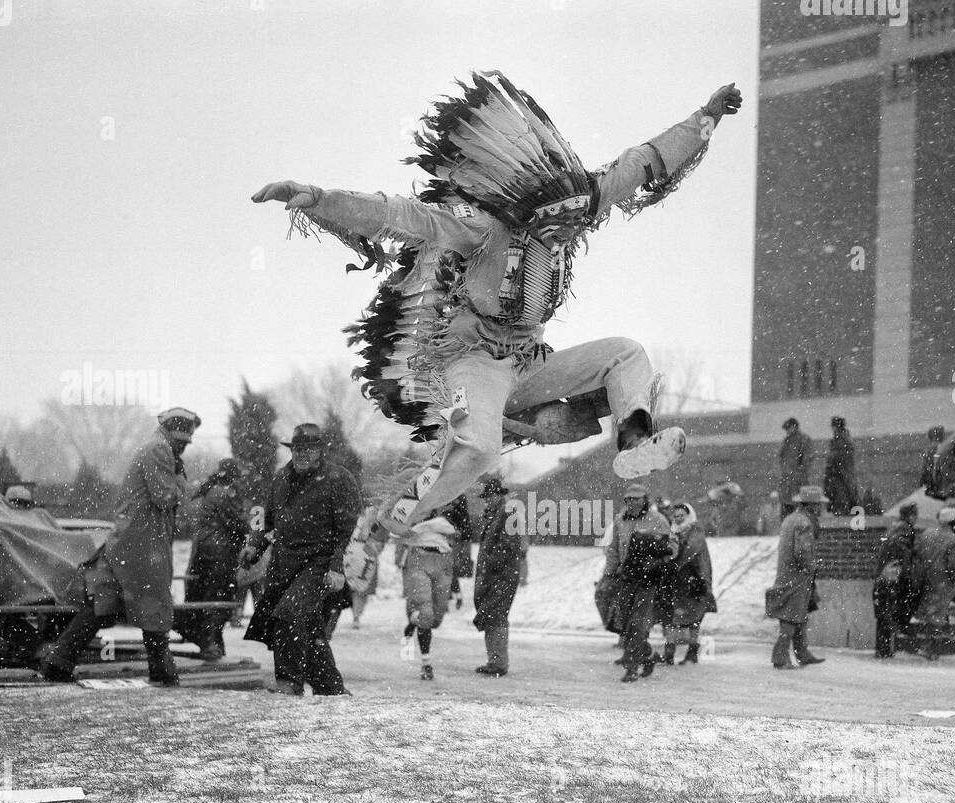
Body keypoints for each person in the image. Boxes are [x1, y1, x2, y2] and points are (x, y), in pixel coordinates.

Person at [254, 73, 743, 592]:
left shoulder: (580, 204)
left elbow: (643, 159)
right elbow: (399, 213)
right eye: (555, 230)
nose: (566, 238)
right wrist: (315, 197)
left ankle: (634, 440)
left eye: (573, 229)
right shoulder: (481, 227)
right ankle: (384, 525)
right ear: (532, 214)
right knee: (477, 450)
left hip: (529, 363)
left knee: (626, 355)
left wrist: (705, 117)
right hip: (473, 363)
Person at [38, 408, 201, 686]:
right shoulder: (159, 451)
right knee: (155, 602)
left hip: (130, 541)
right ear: (173, 434)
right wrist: (183, 482)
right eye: (182, 442)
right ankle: (162, 670)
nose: (183, 448)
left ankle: (59, 660)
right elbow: (164, 497)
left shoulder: (155, 448)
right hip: (143, 543)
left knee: (104, 602)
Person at [243, 423, 362, 696]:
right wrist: (254, 544)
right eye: (298, 448)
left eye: (309, 448)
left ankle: (288, 683)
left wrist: (335, 566)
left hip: (318, 563)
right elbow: (263, 515)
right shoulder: (280, 478)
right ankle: (330, 687)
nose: (302, 454)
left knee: (288, 614)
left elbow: (347, 530)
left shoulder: (338, 479)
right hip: (284, 564)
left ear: (320, 450)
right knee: (308, 627)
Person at [601, 483, 676, 683]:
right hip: (626, 578)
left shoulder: (658, 520)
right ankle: (649, 656)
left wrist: (658, 559)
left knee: (638, 624)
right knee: (625, 624)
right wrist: (609, 574)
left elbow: (672, 546)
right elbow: (614, 550)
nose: (632, 503)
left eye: (636, 498)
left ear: (645, 500)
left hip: (649, 580)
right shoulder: (620, 521)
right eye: (629, 499)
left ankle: (632, 667)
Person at [176, 458, 246, 662]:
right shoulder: (224, 492)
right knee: (218, 601)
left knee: (201, 599)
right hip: (220, 555)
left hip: (201, 553)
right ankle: (211, 644)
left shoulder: (204, 491)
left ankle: (210, 642)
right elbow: (238, 523)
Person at [472, 475, 524, 676]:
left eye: (491, 496)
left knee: (495, 616)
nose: (488, 500)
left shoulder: (507, 514)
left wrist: (491, 564)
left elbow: (507, 547)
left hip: (502, 576)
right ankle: (495, 660)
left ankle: (498, 663)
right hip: (496, 575)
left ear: (498, 495)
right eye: (486, 497)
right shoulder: (495, 514)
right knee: (491, 616)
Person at [769, 485, 825, 668]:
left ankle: (802, 653)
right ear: (812, 505)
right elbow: (802, 551)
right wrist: (812, 566)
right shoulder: (804, 523)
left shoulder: (791, 519)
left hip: (787, 575)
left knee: (799, 615)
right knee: (791, 618)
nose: (821, 509)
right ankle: (780, 657)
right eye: (818, 505)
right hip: (797, 578)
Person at [397, 513, 458, 681]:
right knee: (426, 614)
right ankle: (426, 663)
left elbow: (453, 553)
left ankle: (413, 623)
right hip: (419, 562)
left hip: (440, 562)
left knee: (435, 619)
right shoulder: (414, 525)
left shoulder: (442, 525)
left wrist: (457, 590)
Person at [662, 502, 716, 665]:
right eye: (676, 516)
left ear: (688, 516)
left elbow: (692, 550)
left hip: (694, 577)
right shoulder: (672, 531)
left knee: (694, 616)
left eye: (681, 516)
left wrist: (676, 562)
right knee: (671, 615)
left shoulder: (695, 529)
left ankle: (692, 652)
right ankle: (669, 652)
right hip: (677, 580)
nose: (678, 519)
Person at [911, 506, 955, 661]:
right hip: (942, 580)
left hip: (925, 577)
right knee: (938, 615)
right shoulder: (954, 540)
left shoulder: (926, 534)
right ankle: (931, 648)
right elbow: (953, 565)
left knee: (928, 613)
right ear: (952, 522)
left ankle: (925, 643)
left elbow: (918, 554)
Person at [873, 502, 918, 659]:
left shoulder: (893, 527)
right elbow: (903, 553)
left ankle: (882, 648)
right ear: (910, 515)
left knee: (883, 613)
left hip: (883, 574)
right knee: (891, 610)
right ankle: (886, 649)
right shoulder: (905, 529)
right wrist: (906, 573)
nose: (916, 518)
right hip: (892, 574)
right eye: (915, 514)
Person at [823, 416, 858, 516]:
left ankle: (843, 513)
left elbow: (837, 458)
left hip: (839, 474)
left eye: (833, 426)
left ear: (836, 427)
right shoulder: (845, 438)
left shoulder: (840, 440)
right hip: (843, 473)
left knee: (841, 497)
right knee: (847, 494)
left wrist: (831, 467)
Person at [778, 417, 812, 518]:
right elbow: (781, 458)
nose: (787, 431)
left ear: (794, 427)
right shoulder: (787, 441)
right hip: (787, 480)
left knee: (799, 506)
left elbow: (808, 458)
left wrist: (799, 471)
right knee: (787, 506)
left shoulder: (803, 439)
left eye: (788, 428)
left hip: (798, 480)